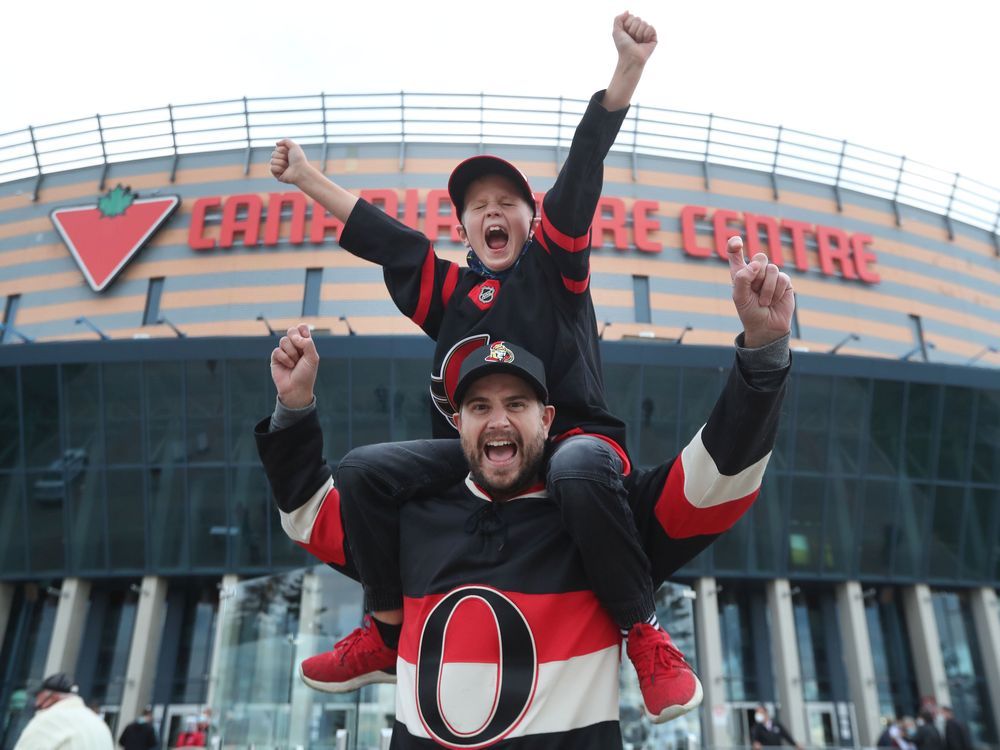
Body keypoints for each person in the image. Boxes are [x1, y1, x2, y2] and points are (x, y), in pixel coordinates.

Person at [270, 11, 708, 723]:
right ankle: (384, 632)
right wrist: (308, 178)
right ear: (465, 228)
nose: (493, 212)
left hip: (570, 441)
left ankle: (642, 632)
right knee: (361, 473)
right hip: (480, 450)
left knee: (574, 470)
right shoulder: (451, 295)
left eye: (508, 203)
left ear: (533, 224)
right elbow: (389, 241)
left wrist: (626, 73)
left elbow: (582, 171)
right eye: (478, 208)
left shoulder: (555, 270)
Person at [257, 239, 793, 746]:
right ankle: (383, 637)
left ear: (549, 419)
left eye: (517, 404)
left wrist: (764, 353)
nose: (498, 421)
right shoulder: (412, 520)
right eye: (479, 407)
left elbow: (719, 481)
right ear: (457, 424)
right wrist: (294, 408)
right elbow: (309, 516)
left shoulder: (605, 520)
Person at [13, 672, 113, 750]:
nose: (36, 703)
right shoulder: (99, 724)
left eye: (38, 696)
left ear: (53, 698)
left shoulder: (49, 718)